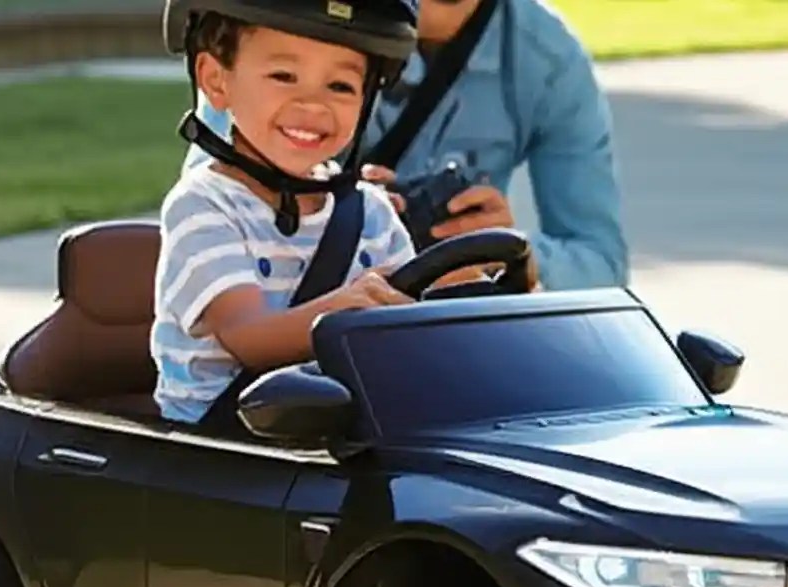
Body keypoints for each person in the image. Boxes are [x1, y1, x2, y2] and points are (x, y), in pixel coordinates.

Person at [183, 0, 630, 290]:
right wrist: (334, 204)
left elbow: (602, 264)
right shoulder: (286, 15)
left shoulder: (549, 58)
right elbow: (214, 199)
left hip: (448, 321)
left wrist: (508, 251)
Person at [150, 0, 425, 425]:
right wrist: (344, 312)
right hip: (220, 449)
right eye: (283, 76)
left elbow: (412, 320)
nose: (313, 105)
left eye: (340, 86)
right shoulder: (203, 207)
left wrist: (462, 290)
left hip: (338, 433)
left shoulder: (370, 212)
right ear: (215, 81)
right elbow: (249, 338)